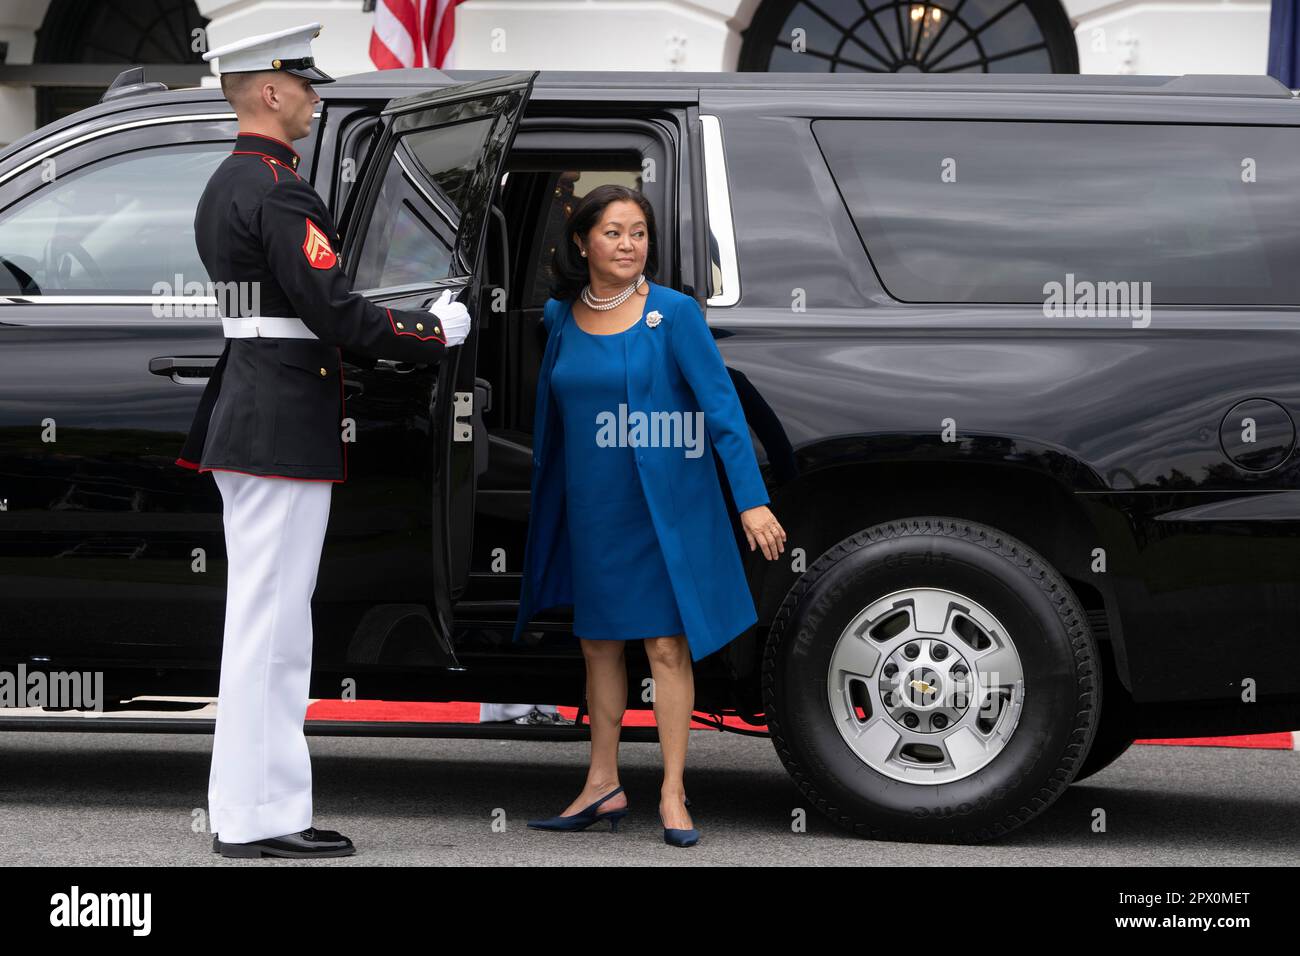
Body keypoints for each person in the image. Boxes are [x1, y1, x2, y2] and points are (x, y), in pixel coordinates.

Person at [176, 22, 471, 859]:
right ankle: (257, 818)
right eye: (304, 85)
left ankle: (255, 809)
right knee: (271, 630)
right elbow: (335, 311)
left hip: (256, 419)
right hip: (277, 428)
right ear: (270, 91)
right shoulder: (277, 190)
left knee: (265, 626)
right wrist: (430, 328)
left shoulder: (226, 183)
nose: (315, 97)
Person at [512, 185, 786, 847]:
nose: (629, 245)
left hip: (663, 509)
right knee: (599, 644)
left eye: (638, 232)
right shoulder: (560, 317)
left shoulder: (675, 314)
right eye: (613, 232)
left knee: (665, 645)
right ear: (582, 242)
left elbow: (722, 409)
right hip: (592, 509)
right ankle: (602, 782)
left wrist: (751, 500)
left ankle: (672, 791)